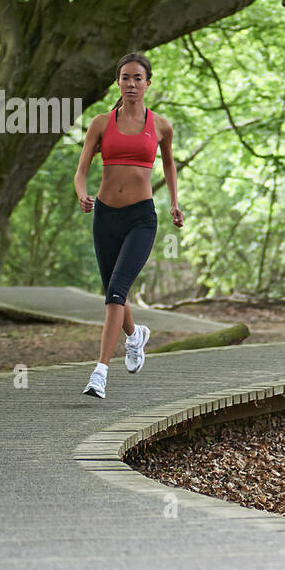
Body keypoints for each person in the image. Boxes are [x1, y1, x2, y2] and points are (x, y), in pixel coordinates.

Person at [72, 52, 183, 398]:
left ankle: (100, 372)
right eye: (125, 78)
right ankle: (135, 336)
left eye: (138, 78)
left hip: (140, 218)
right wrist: (82, 194)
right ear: (117, 82)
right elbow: (81, 170)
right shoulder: (100, 124)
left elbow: (169, 166)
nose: (131, 84)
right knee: (113, 292)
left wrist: (175, 204)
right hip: (106, 216)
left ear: (148, 84)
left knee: (117, 292)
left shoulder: (161, 126)